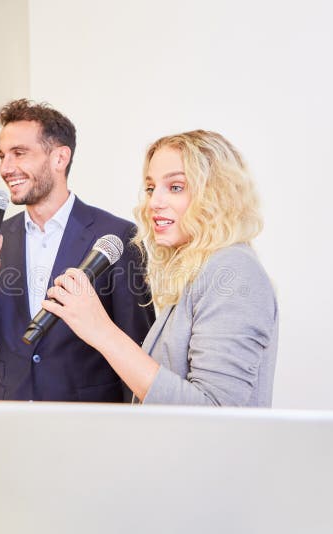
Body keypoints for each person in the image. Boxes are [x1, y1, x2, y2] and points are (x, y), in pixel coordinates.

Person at [40, 130, 278, 406]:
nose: (154, 202)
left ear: (218, 195)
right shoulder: (199, 271)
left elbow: (214, 411)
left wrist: (102, 331)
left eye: (175, 187)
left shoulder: (233, 270)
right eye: (151, 188)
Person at [0, 99, 155, 402]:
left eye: (19, 153)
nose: (5, 168)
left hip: (87, 426)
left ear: (60, 158)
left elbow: (138, 347)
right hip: (14, 420)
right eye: (2, 156)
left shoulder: (117, 236)